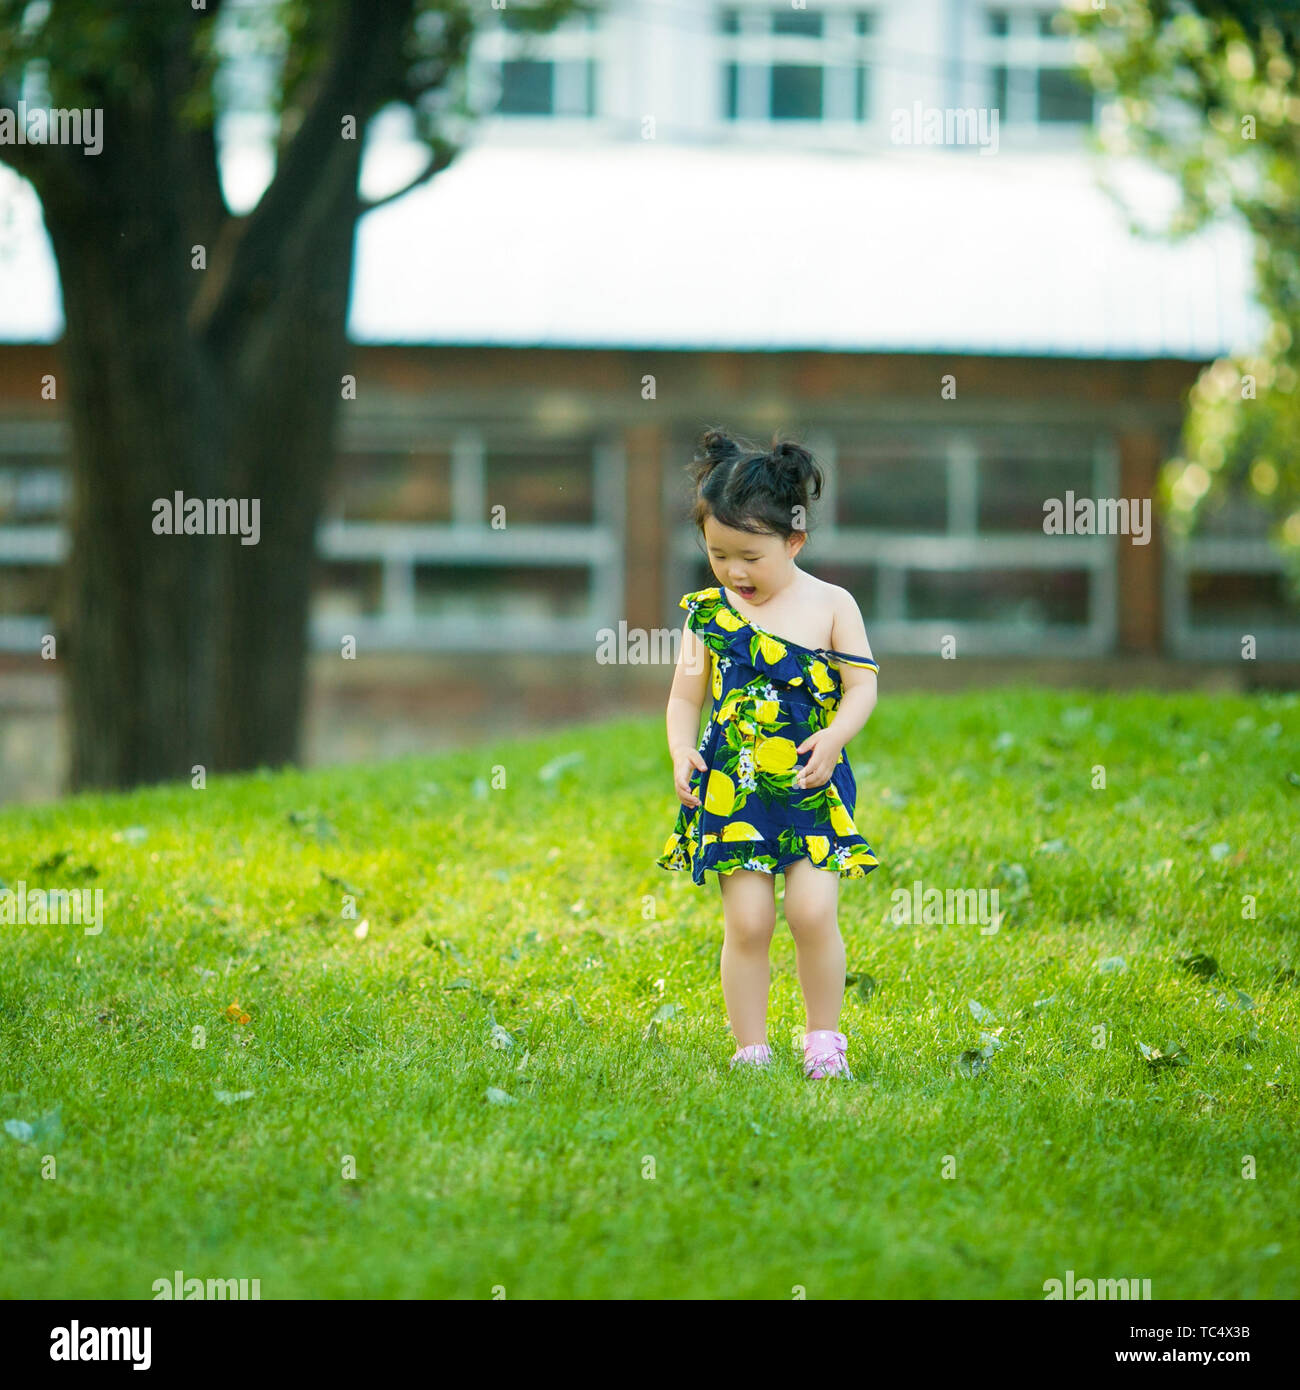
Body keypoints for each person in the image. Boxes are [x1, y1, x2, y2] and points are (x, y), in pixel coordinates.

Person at [655, 428, 881, 1080]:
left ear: (795, 540)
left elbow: (862, 686)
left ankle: (824, 1042)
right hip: (736, 785)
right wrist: (679, 750)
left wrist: (835, 737)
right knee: (749, 922)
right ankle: (750, 1049)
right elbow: (682, 699)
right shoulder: (708, 615)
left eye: (750, 556)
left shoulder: (832, 605)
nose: (734, 572)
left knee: (811, 911)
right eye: (718, 554)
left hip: (812, 779)